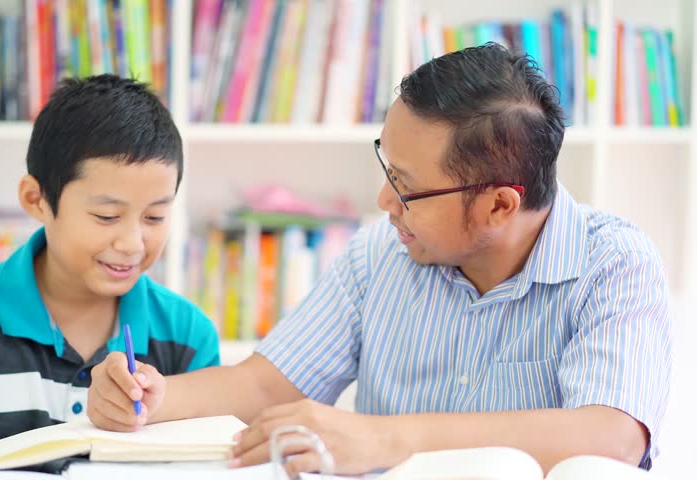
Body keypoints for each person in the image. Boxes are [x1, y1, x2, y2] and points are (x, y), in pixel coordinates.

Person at [88, 43, 672, 477]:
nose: (385, 200)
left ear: (499, 205)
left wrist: (386, 439)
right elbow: (269, 385)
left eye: (407, 187)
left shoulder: (614, 265)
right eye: (387, 169)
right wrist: (156, 396)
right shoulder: (379, 253)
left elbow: (612, 438)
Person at [0, 75, 220, 454]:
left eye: (154, 217)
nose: (132, 243)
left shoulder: (188, 336)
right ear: (36, 199)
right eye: (107, 216)